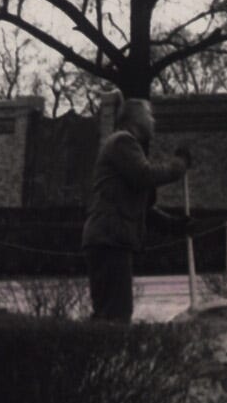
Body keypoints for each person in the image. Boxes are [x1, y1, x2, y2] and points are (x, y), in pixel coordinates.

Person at [82, 93, 192, 322]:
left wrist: (172, 225)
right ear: (136, 119)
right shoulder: (122, 141)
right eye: (150, 115)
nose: (154, 121)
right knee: (116, 315)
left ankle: (97, 354)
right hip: (109, 240)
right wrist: (179, 166)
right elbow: (145, 176)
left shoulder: (125, 147)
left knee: (109, 314)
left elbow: (137, 205)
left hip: (109, 239)